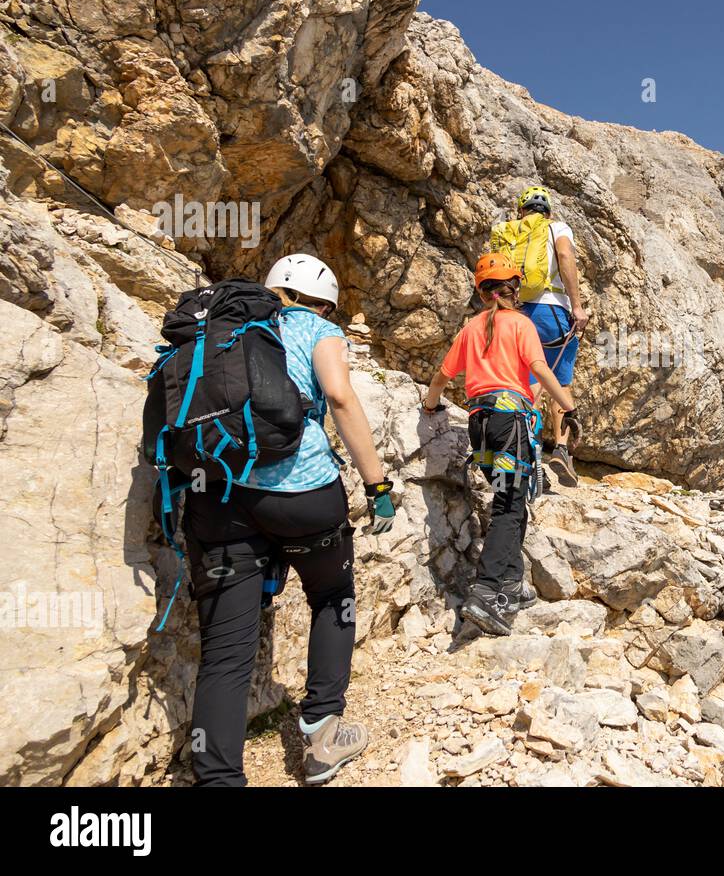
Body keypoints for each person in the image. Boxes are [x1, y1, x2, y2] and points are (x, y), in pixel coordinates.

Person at [183, 253, 395, 786]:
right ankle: (323, 733)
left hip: (220, 498)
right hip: (302, 495)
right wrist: (377, 485)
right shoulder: (318, 328)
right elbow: (341, 398)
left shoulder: (220, 327)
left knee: (226, 652)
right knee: (332, 596)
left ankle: (218, 778)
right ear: (321, 302)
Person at [422, 253, 576, 636]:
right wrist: (569, 408)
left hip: (480, 425)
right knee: (509, 504)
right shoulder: (521, 325)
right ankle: (487, 592)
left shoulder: (471, 329)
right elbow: (540, 370)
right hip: (512, 425)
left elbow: (442, 377)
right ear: (515, 288)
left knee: (513, 497)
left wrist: (429, 407)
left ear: (481, 291)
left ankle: (511, 582)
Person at [488, 185, 588, 487]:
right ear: (548, 212)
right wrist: (578, 305)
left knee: (524, 381)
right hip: (552, 311)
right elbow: (564, 255)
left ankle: (522, 451)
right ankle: (560, 449)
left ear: (521, 211)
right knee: (558, 381)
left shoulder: (508, 232)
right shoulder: (556, 227)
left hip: (514, 311)